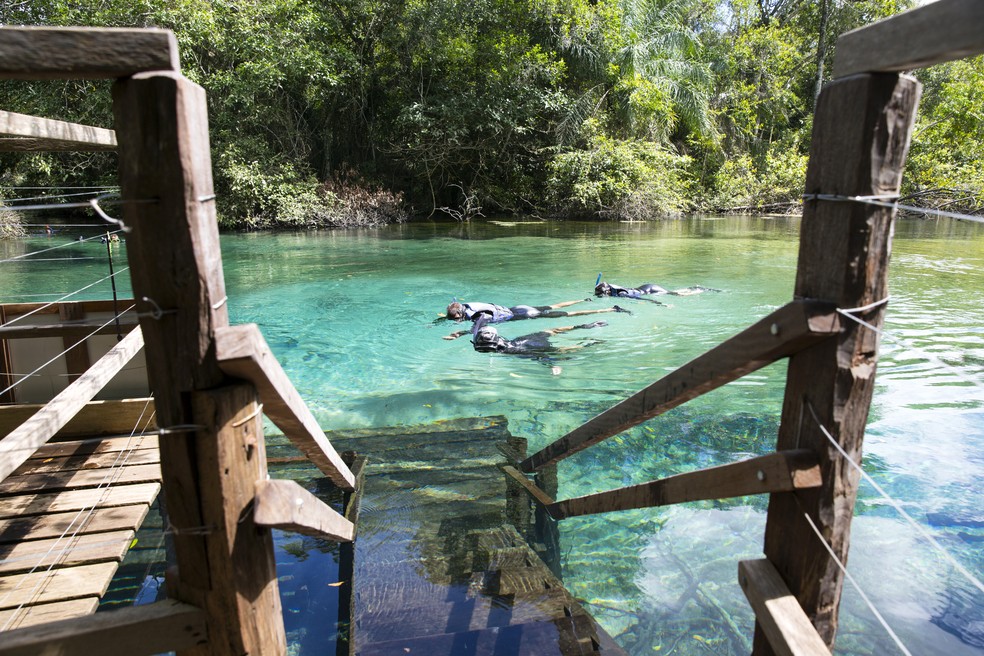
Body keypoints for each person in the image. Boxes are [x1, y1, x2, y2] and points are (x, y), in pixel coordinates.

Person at [443, 298, 629, 340]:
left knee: (565, 315)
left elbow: (479, 324)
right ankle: (582, 299)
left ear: (460, 314)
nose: (456, 321)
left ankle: (608, 309)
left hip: (522, 314)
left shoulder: (474, 314)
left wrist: (461, 333)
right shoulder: (465, 306)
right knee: (554, 306)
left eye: (456, 319)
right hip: (517, 308)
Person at [469, 314, 608, 358]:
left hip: (531, 345)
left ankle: (589, 344)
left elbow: (536, 355)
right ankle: (584, 326)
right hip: (524, 339)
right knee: (551, 330)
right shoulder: (481, 338)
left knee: (561, 351)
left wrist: (551, 363)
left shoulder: (507, 350)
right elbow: (478, 325)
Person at [594, 281, 716, 299]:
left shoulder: (620, 294)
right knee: (671, 292)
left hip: (650, 290)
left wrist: (660, 304)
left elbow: (645, 300)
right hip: (646, 286)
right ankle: (692, 288)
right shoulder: (614, 290)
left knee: (677, 295)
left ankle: (699, 290)